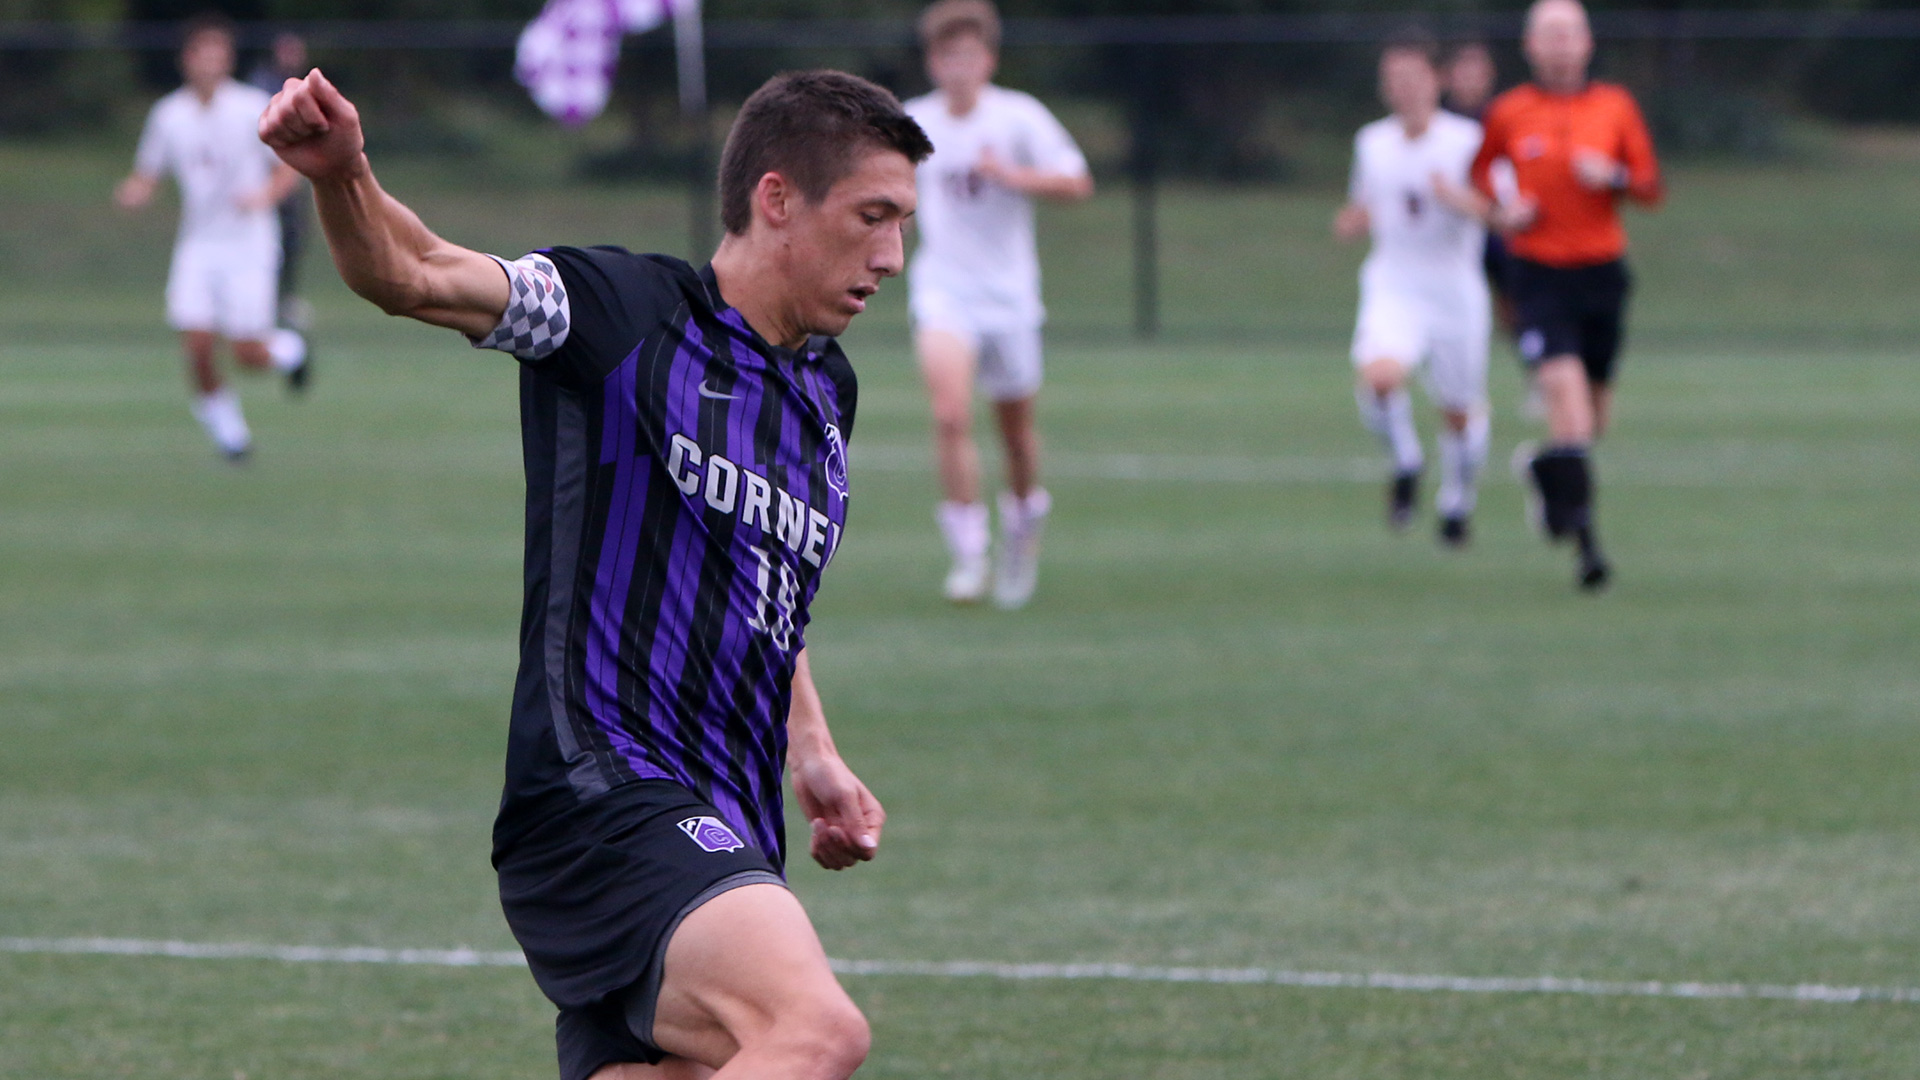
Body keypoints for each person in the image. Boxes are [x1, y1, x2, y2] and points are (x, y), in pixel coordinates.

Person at [259, 66, 932, 1079]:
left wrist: (814, 748)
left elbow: (759, 584)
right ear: (777, 198)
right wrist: (342, 172)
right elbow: (415, 271)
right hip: (606, 795)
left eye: (903, 225)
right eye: (872, 217)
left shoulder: (825, 392)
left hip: (730, 820)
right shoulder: (616, 315)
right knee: (818, 1032)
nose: (892, 256)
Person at [903, 0, 1092, 609]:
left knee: (1015, 434)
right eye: (947, 55)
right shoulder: (913, 121)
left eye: (969, 54)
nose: (958, 67)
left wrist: (1012, 175)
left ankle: (1021, 530)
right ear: (933, 62)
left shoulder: (1018, 116)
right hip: (943, 289)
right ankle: (968, 554)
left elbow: (1076, 181)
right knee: (950, 413)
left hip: (1009, 298)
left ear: (988, 60)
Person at [1470, 0, 1662, 590]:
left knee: (1591, 423)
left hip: (1601, 275)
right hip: (1538, 275)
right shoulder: (1509, 111)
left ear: (1587, 44)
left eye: (1569, 34)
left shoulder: (1615, 106)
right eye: (1549, 35)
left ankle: (1541, 466)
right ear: (1530, 47)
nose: (1560, 45)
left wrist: (1614, 176)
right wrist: (1504, 210)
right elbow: (1479, 174)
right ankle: (1587, 548)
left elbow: (1650, 185)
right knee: (1570, 412)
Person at [116, 14, 311, 461]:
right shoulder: (168, 114)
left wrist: (263, 197)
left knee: (247, 354)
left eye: (218, 54)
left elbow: (289, 168)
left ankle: (290, 350)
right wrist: (134, 192)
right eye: (202, 53)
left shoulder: (250, 107)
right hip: (198, 245)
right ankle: (231, 437)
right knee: (198, 346)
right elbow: (147, 174)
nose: (211, 62)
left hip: (249, 243)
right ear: (187, 59)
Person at [1334, 33, 1492, 546]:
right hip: (1394, 282)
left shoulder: (1468, 140)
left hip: (1453, 290)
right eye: (1393, 79)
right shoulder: (1371, 142)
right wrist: (1354, 220)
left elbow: (1499, 212)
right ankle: (1406, 460)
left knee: (1459, 412)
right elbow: (1366, 202)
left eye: (1412, 77)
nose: (1402, 88)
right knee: (1379, 378)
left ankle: (1457, 499)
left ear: (1436, 80)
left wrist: (1457, 198)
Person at [247, 31, 318, 344]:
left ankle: (284, 298)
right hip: (266, 174)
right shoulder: (260, 86)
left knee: (293, 238)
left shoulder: (308, 85)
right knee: (264, 241)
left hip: (293, 174)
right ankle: (263, 300)